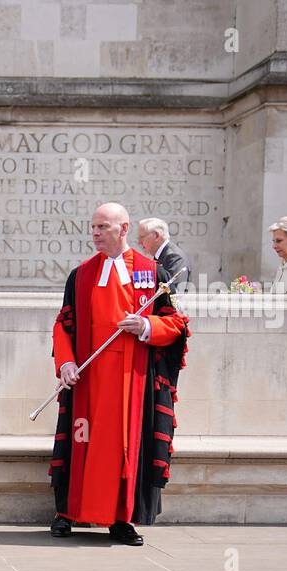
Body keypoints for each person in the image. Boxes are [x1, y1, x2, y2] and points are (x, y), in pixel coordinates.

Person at [48, 202, 190, 545]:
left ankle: (122, 520)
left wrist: (145, 324)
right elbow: (63, 324)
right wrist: (65, 363)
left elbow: (175, 324)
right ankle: (68, 513)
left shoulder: (151, 273)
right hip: (88, 381)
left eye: (103, 228)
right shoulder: (80, 275)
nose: (95, 234)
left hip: (133, 381)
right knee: (81, 444)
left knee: (128, 448)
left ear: (123, 229)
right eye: (93, 227)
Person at [136, 217, 192, 289]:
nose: (139, 242)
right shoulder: (163, 255)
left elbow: (173, 292)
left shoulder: (174, 257)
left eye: (142, 237)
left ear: (156, 235)